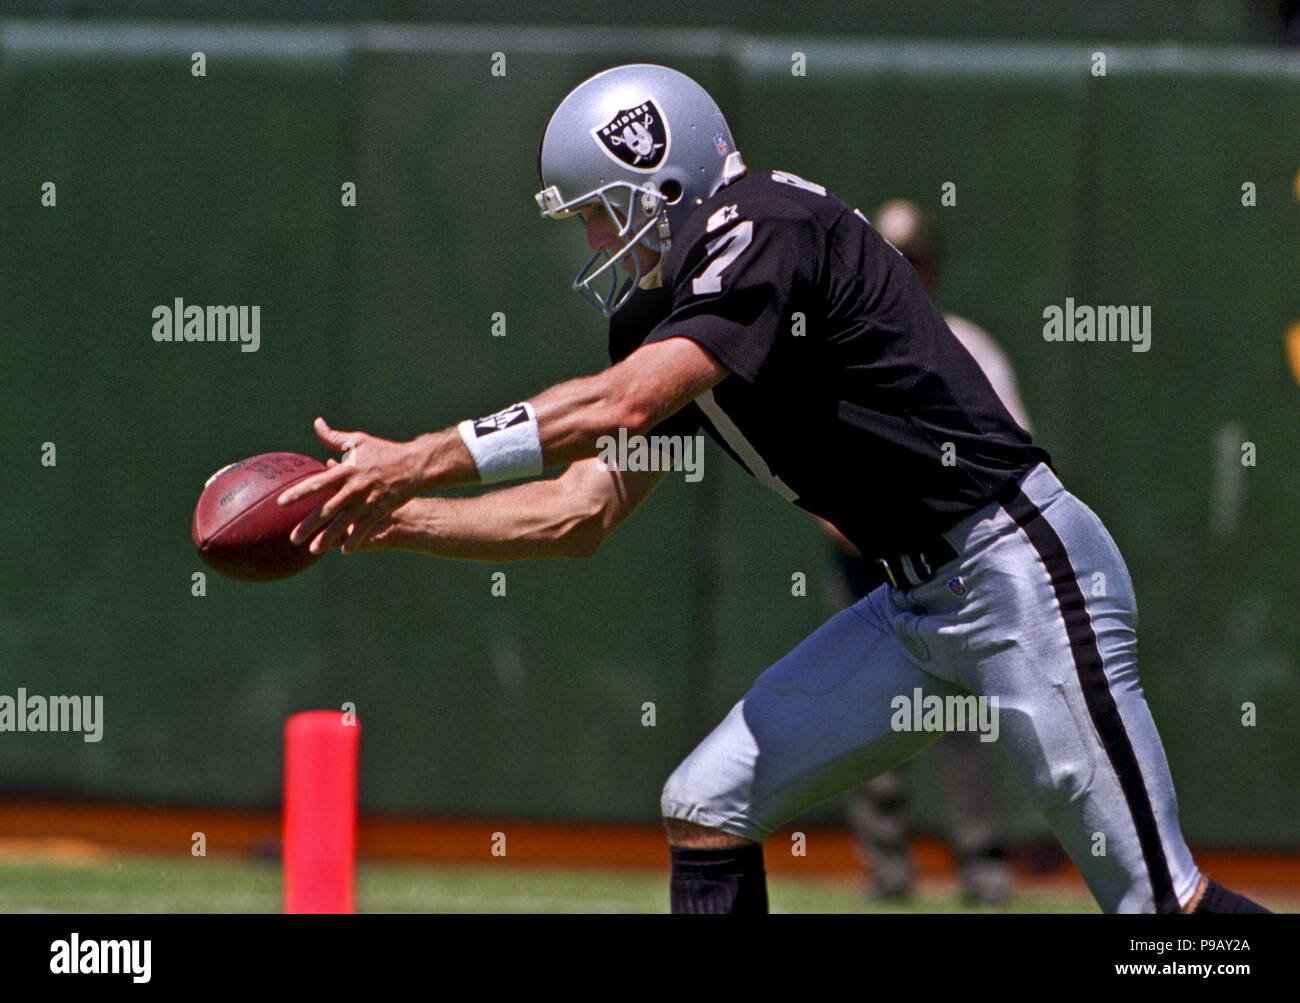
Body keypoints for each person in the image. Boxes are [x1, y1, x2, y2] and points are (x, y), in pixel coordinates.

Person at [277, 63, 1268, 914]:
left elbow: (624, 405)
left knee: (1159, 909)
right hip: (916, 602)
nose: (594, 244)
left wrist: (416, 453)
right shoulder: (655, 319)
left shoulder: (766, 224)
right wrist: (393, 517)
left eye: (602, 214)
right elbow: (577, 512)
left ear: (662, 181)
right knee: (705, 806)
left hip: (1017, 567)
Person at [827, 199, 1030, 906]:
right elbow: (820, 477)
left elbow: (1008, 459)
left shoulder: (970, 346)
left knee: (964, 718)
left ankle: (982, 866)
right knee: (869, 718)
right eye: (891, 258)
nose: (903, 273)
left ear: (933, 267)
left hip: (957, 568)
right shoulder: (839, 349)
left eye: (914, 259)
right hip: (866, 567)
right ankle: (886, 869)